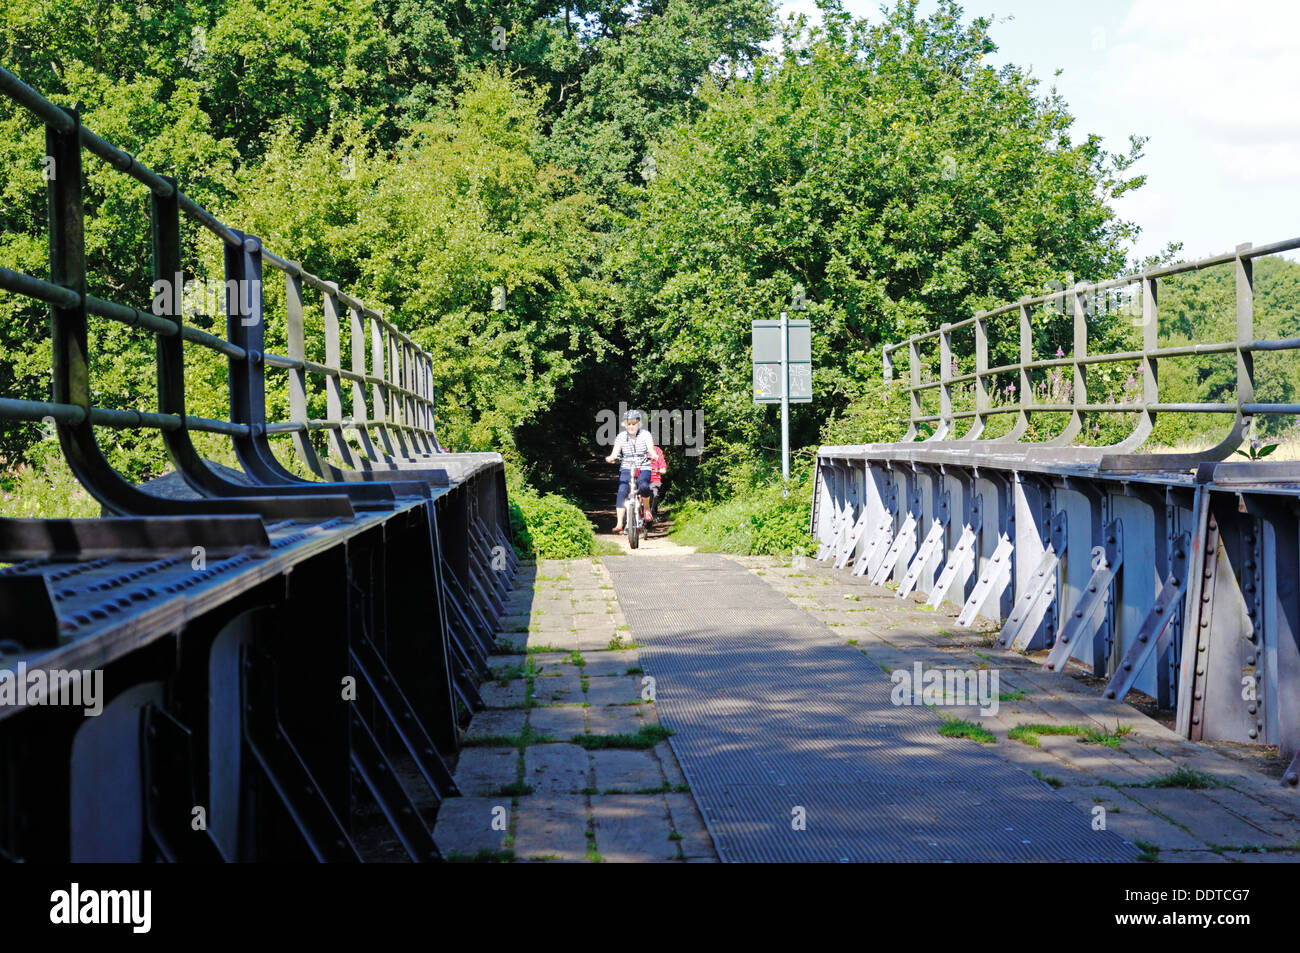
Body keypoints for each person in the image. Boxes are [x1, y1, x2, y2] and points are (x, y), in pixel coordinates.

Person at [605, 409, 653, 533]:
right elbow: (615, 452)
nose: (631, 426)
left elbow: (651, 449)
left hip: (643, 466)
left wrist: (653, 454)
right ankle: (620, 523)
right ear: (625, 424)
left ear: (638, 424)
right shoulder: (621, 437)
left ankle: (647, 509)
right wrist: (612, 457)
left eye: (634, 423)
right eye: (629, 423)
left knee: (644, 485)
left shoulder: (645, 434)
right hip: (627, 466)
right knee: (622, 490)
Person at [646, 440, 667, 521]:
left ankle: (652, 512)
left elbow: (663, 468)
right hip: (640, 478)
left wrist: (658, 470)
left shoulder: (657, 450)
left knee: (654, 494)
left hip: (654, 479)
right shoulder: (638, 450)